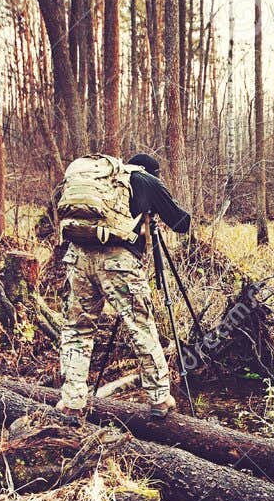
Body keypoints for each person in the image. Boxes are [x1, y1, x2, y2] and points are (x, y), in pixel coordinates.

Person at [57, 152, 192, 415]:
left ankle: (72, 402)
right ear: (152, 171)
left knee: (76, 330)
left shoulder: (98, 177)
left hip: (78, 257)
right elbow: (180, 223)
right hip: (118, 261)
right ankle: (159, 398)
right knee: (140, 327)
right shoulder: (147, 180)